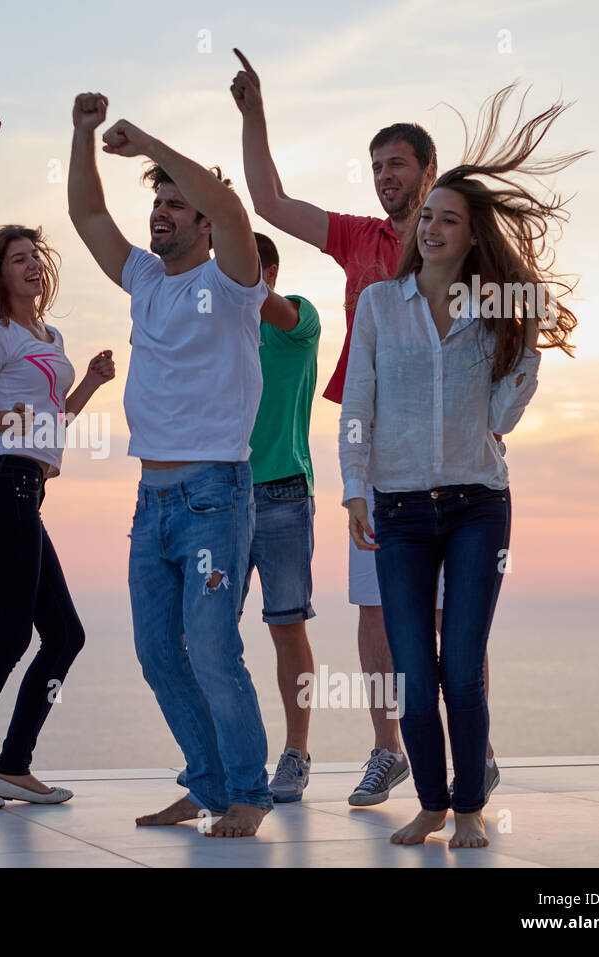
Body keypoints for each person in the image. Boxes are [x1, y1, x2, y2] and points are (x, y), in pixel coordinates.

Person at [231, 49, 499, 807]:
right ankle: (390, 751)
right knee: (378, 609)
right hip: (374, 452)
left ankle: (473, 751)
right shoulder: (357, 239)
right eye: (376, 165)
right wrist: (255, 112)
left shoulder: (463, 242)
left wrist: (494, 422)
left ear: (429, 170)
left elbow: (509, 338)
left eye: (397, 165)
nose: (385, 176)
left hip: (457, 456)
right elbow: (270, 199)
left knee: (454, 615)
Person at [339, 84, 582, 847]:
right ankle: (433, 802)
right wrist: (354, 489)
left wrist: (527, 347)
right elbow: (359, 410)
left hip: (479, 503)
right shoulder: (379, 306)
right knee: (414, 671)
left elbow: (501, 420)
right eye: (428, 218)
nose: (434, 226)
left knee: (463, 665)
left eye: (449, 218)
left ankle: (470, 807)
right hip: (400, 508)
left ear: (472, 236)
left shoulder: (496, 309)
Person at [68, 91, 273, 838]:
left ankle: (249, 791)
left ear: (204, 222)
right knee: (158, 652)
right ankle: (209, 779)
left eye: (176, 204)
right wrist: (83, 134)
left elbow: (238, 211)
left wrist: (152, 138)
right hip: (151, 499)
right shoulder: (146, 280)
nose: (161, 213)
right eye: (156, 202)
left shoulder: (233, 284)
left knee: (215, 648)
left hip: (216, 494)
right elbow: (89, 218)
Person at [0, 225, 115, 809]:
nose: (32, 264)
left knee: (64, 637)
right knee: (9, 637)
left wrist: (88, 380)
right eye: (18, 259)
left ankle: (13, 767)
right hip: (1, 483)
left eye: (35, 255)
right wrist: (2, 421)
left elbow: (51, 419)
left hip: (27, 489)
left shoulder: (48, 334)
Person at [238, 233, 320, 802]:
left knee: (286, 626)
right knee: (209, 631)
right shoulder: (219, 327)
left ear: (268, 270)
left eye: (242, 266)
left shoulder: (298, 320)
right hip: (220, 491)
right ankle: (226, 755)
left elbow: (264, 302)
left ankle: (296, 754)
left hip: (284, 493)